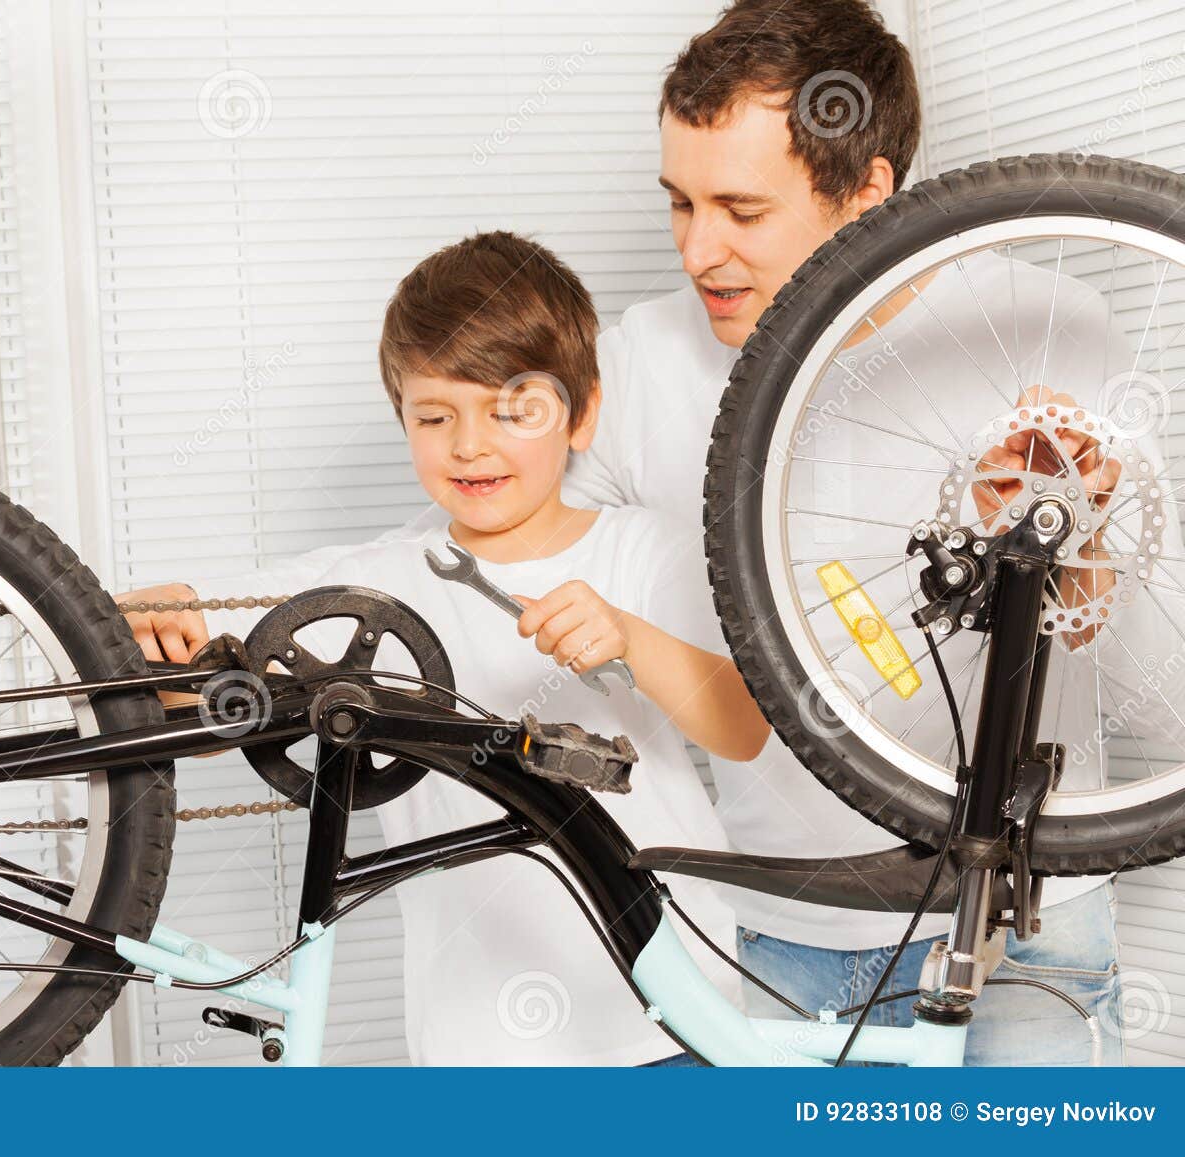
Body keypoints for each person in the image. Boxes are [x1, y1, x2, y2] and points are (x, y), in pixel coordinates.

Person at [126, 0, 1161, 1064]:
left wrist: (1063, 548)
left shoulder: (1049, 321)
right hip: (773, 944)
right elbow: (474, 527)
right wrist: (219, 608)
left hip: (1017, 932)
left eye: (740, 210)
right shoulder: (639, 364)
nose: (697, 249)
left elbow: (1124, 656)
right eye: (677, 202)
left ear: (866, 195)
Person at [142, 229, 770, 1065]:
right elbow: (194, 669)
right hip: (479, 1045)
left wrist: (630, 637)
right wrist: (153, 626)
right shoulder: (373, 584)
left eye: (511, 411)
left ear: (582, 414)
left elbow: (743, 727)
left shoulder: (640, 549)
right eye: (435, 416)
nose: (468, 444)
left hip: (679, 1014)